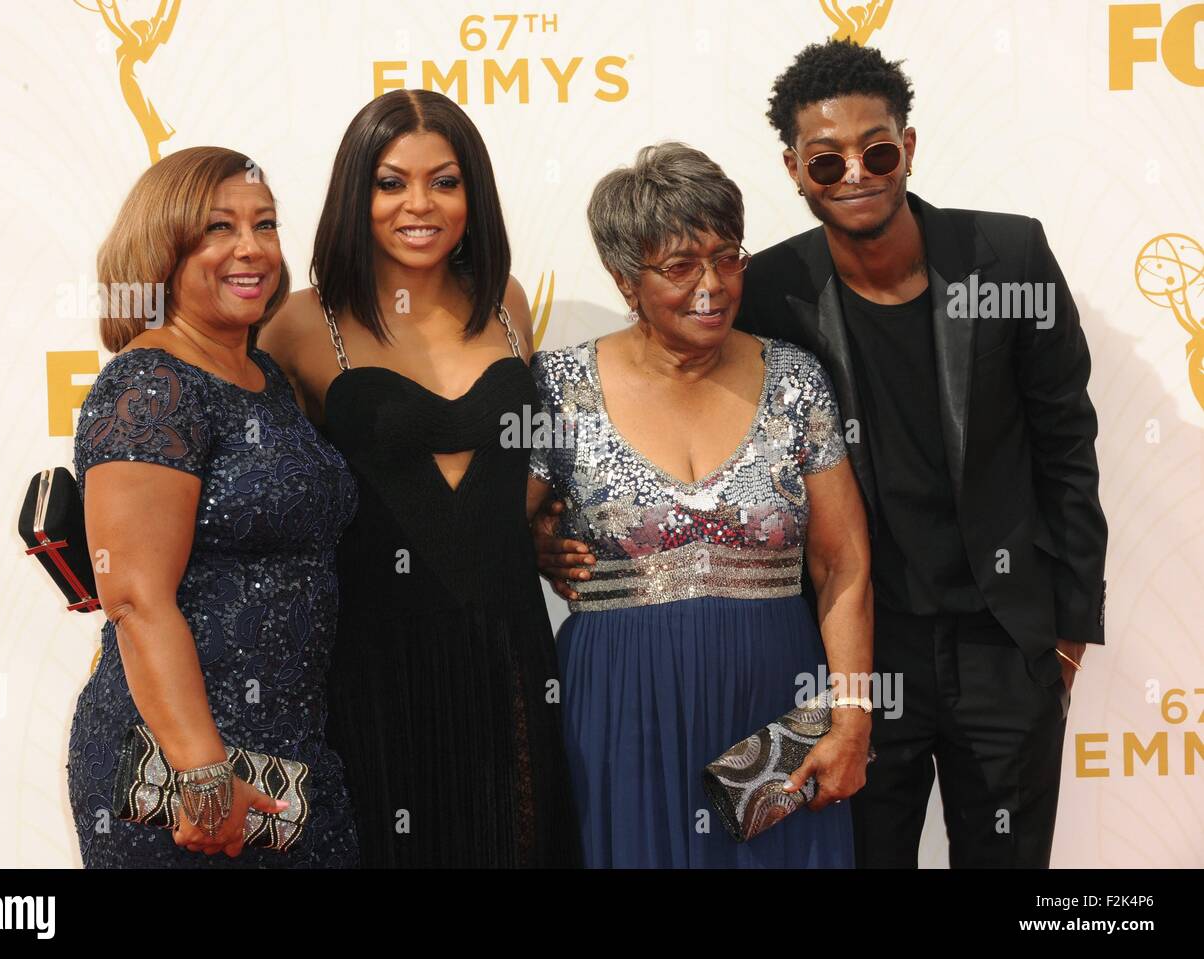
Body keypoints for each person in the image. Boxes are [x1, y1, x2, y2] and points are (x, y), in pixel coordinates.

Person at [739, 40, 1107, 867]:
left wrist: (1067, 634)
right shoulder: (766, 291)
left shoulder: (1007, 257)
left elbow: (1067, 446)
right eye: (827, 162)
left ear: (907, 147)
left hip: (1003, 642)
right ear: (795, 170)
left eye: (875, 151)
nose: (856, 174)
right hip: (860, 652)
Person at [526, 142, 873, 868]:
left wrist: (852, 719)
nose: (712, 284)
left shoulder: (795, 380)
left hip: (776, 707)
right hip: (621, 711)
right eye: (681, 266)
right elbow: (486, 529)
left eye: (727, 256)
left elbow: (843, 561)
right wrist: (533, 543)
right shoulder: (559, 388)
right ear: (626, 278)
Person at [258, 90, 580, 867]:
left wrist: (537, 527)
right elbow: (277, 495)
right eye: (391, 182)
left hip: (506, 645)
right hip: (373, 653)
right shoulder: (301, 323)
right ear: (353, 194)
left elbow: (510, 465)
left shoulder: (506, 304)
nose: (420, 204)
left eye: (445, 180)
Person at [67, 146, 359, 868]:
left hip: (292, 762)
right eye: (219, 229)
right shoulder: (151, 386)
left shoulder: (265, 374)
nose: (251, 248)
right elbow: (134, 597)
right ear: (161, 249)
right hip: (178, 773)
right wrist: (201, 770)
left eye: (265, 225)